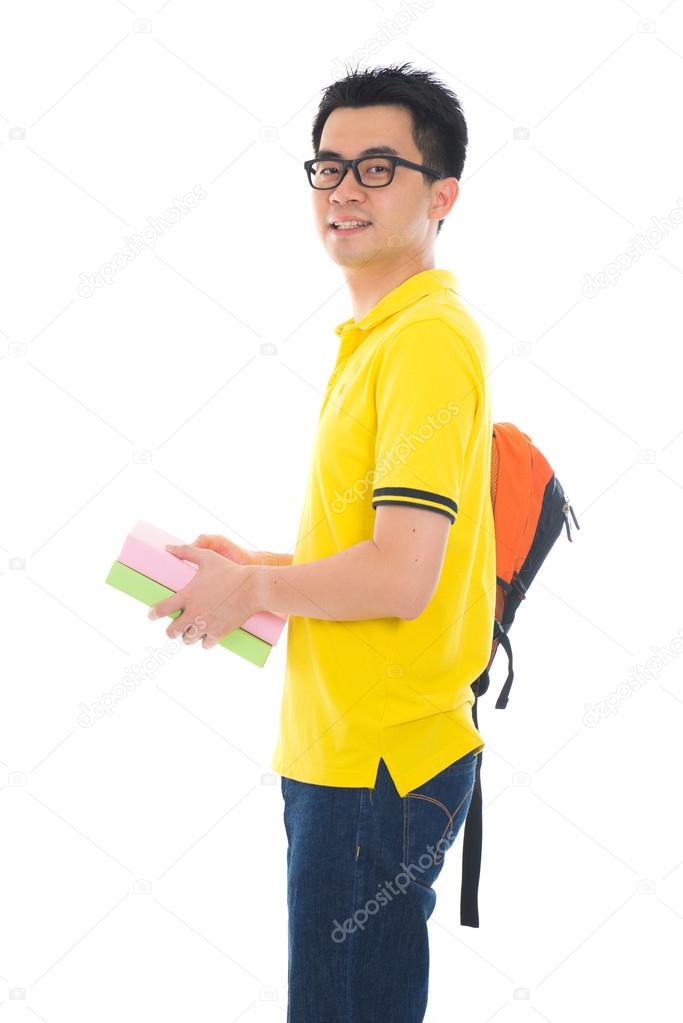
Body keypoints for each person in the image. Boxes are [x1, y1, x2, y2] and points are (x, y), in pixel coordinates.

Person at [156, 61, 496, 1023]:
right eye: (329, 166)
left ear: (441, 195)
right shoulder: (378, 336)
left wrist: (253, 591)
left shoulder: (424, 339)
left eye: (378, 167)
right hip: (347, 754)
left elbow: (400, 577)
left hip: (375, 761)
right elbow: (378, 552)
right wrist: (255, 572)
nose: (344, 187)